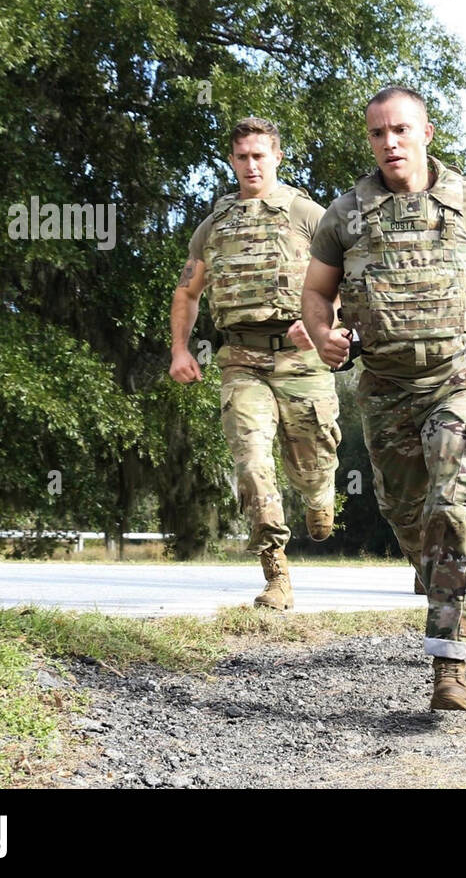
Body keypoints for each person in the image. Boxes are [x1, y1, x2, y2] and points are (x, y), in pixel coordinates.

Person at [301, 86, 466, 711]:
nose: (390, 143)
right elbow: (316, 291)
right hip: (385, 386)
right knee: (409, 514)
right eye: (379, 133)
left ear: (426, 133)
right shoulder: (346, 214)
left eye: (401, 130)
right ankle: (439, 574)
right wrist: (326, 336)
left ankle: (450, 660)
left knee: (456, 485)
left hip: (465, 373)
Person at [169, 117, 342, 611]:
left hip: (303, 359)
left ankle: (319, 492)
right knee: (251, 460)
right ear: (231, 160)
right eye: (242, 156)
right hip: (240, 359)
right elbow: (187, 291)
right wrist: (180, 349)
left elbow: (347, 284)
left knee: (311, 466)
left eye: (260, 155)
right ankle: (276, 574)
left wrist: (321, 323)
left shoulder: (308, 215)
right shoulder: (214, 226)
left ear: (277, 157)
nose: (251, 164)